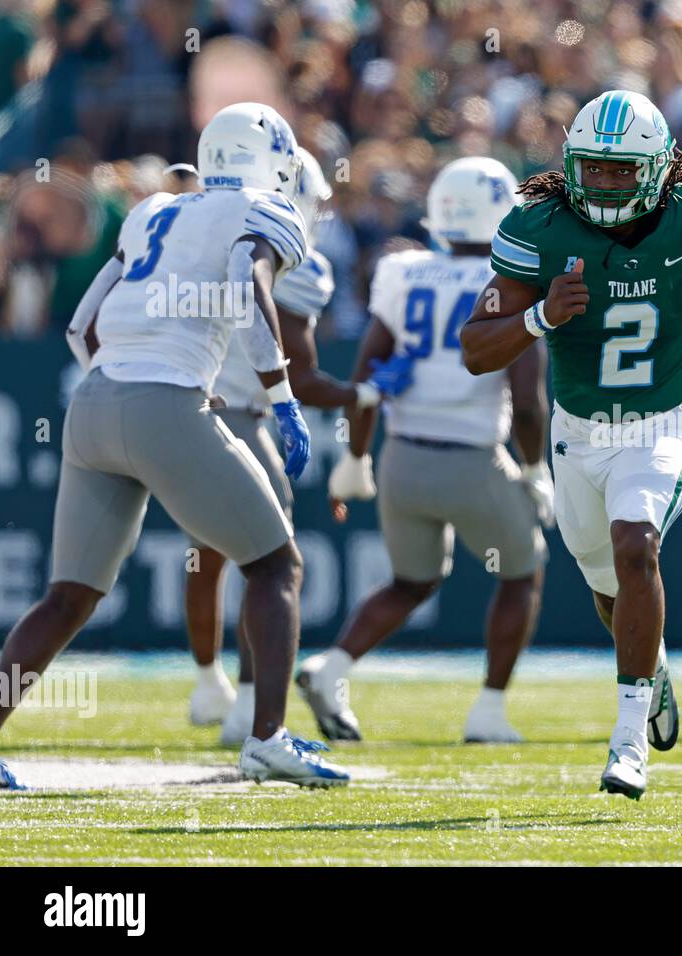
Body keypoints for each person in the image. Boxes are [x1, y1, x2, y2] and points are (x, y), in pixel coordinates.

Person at [460, 90, 682, 799]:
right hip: (577, 436)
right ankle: (650, 669)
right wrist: (539, 315)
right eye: (591, 169)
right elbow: (476, 350)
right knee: (609, 588)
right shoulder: (539, 223)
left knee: (637, 546)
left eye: (620, 172)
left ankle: (627, 743)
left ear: (660, 170)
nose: (601, 184)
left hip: (660, 426)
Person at [0, 103, 347, 790]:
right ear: (276, 158)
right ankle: (267, 738)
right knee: (276, 565)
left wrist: (126, 377)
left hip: (92, 405)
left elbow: (82, 323)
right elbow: (249, 286)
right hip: (165, 402)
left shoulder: (154, 209)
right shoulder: (267, 211)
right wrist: (281, 400)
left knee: (67, 597)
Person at [298, 157, 552, 745]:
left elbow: (368, 370)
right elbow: (528, 398)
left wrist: (355, 458)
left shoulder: (405, 271)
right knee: (521, 573)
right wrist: (537, 469)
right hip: (473, 457)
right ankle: (488, 712)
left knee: (411, 581)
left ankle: (331, 666)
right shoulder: (511, 280)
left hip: (403, 457)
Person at [182, 147, 412, 745]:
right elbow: (302, 377)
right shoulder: (294, 259)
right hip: (245, 418)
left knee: (205, 558)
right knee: (270, 566)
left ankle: (212, 685)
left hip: (182, 413)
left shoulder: (190, 234)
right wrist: (361, 395)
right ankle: (253, 712)